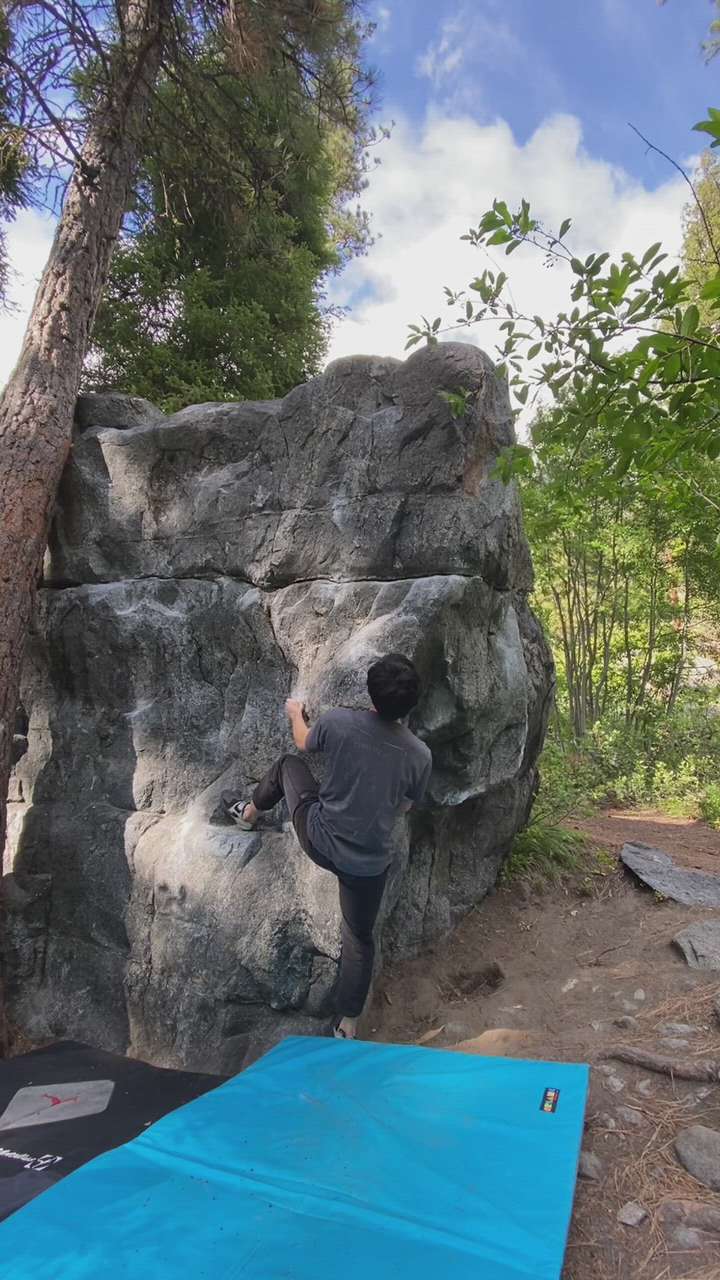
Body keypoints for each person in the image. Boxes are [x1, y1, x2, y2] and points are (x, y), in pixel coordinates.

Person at [223, 654, 432, 1040]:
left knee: (287, 765)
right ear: (411, 703)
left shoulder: (339, 722)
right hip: (367, 864)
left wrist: (295, 713)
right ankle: (347, 1023)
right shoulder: (419, 755)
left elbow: (302, 742)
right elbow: (406, 805)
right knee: (358, 937)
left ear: (371, 691)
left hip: (319, 837)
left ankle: (249, 812)